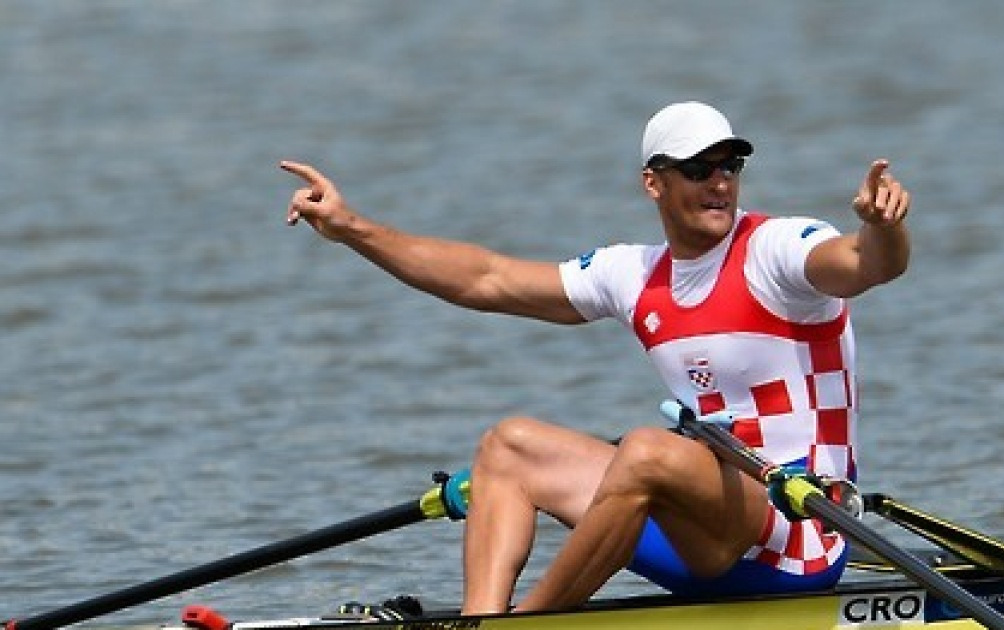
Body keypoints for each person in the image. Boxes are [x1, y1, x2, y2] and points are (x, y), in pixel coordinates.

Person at [281, 101, 911, 615]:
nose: (720, 182)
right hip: (702, 535)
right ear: (653, 183)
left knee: (646, 450)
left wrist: (883, 228)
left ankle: (528, 623)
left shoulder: (777, 249)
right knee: (509, 446)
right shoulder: (632, 274)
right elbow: (485, 279)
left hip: (799, 534)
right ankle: (481, 618)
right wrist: (352, 228)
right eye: (698, 169)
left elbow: (866, 264)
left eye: (730, 165)